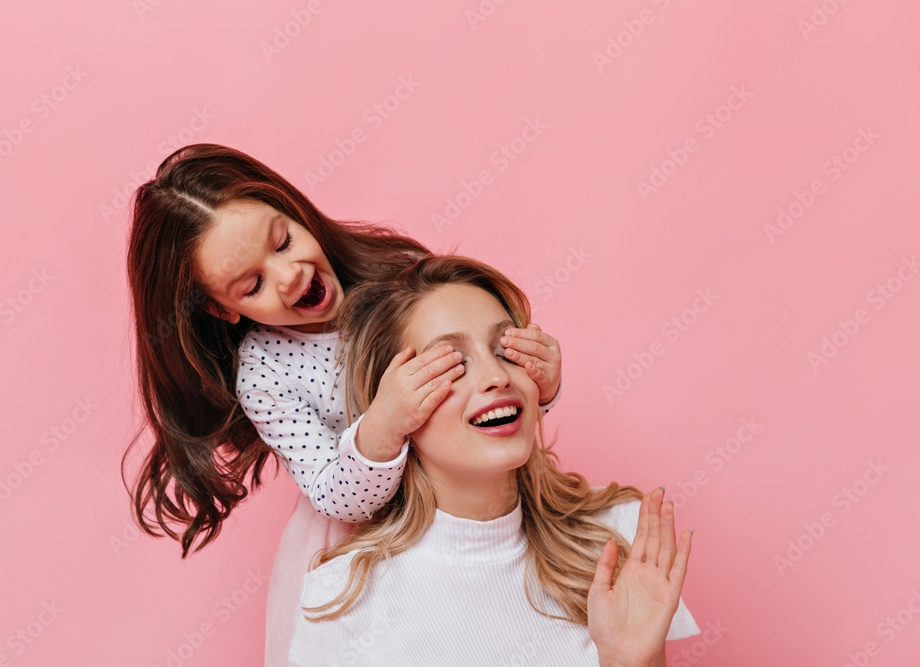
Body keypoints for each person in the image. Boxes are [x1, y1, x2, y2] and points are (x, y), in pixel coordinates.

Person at [123, 145, 566, 665]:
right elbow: (334, 495)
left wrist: (540, 383)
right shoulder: (265, 372)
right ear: (223, 309)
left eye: (284, 241)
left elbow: (482, 395)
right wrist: (384, 422)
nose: (289, 275)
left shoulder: (396, 273)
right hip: (365, 537)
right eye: (254, 284)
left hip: (459, 510)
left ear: (295, 210)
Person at [289, 256, 700, 666]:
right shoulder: (341, 598)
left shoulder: (616, 536)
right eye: (452, 364)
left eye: (506, 350)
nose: (497, 377)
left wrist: (628, 661)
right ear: (392, 412)